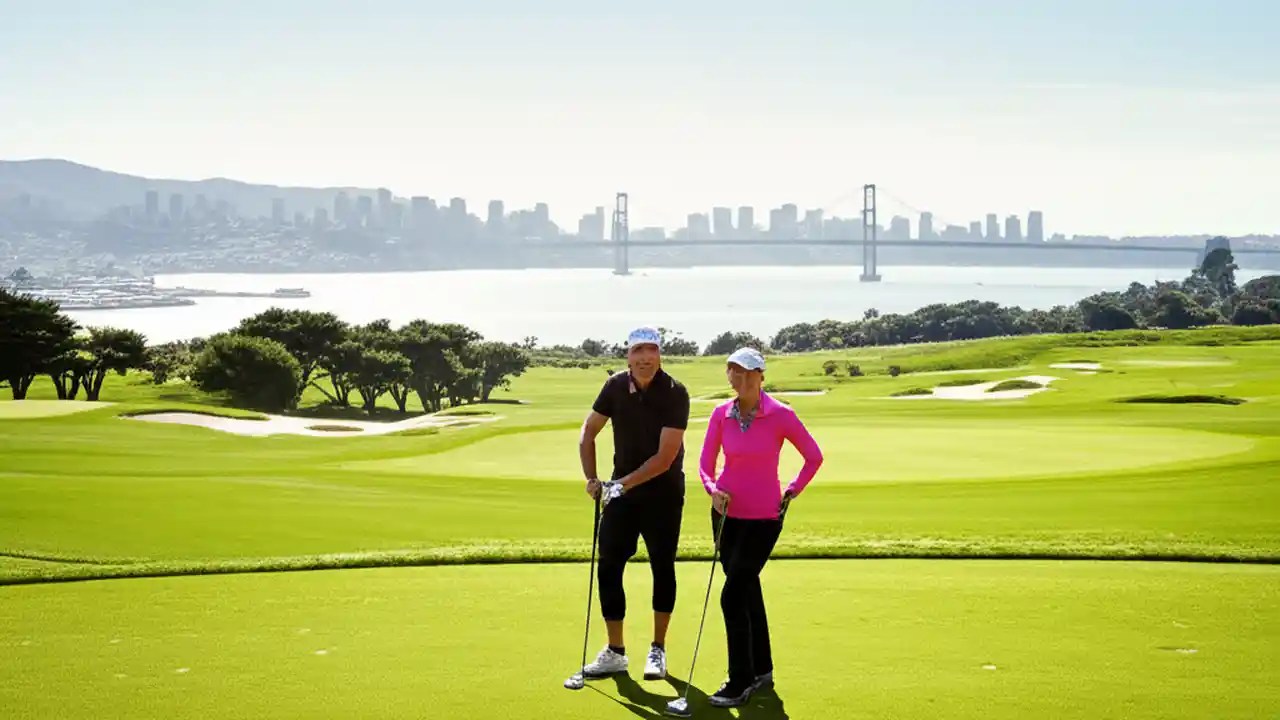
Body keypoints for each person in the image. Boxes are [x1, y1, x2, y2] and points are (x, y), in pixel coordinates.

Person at [698, 346, 823, 707]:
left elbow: (813, 457)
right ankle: (762, 669)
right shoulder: (720, 415)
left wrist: (792, 490)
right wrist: (713, 490)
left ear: (761, 377)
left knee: (732, 595)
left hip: (764, 519)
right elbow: (706, 464)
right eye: (734, 371)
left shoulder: (781, 415)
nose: (740, 378)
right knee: (747, 588)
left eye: (748, 372)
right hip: (725, 517)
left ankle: (740, 681)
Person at [578, 326, 691, 681]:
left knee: (662, 566)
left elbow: (664, 458)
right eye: (638, 350)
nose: (645, 357)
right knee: (609, 565)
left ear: (660, 354)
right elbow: (588, 432)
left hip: (663, 494)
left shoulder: (675, 393)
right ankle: (615, 652)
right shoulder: (614, 386)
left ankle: (657, 649)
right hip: (620, 493)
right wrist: (592, 479)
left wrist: (619, 486)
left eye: (651, 350)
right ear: (628, 355)